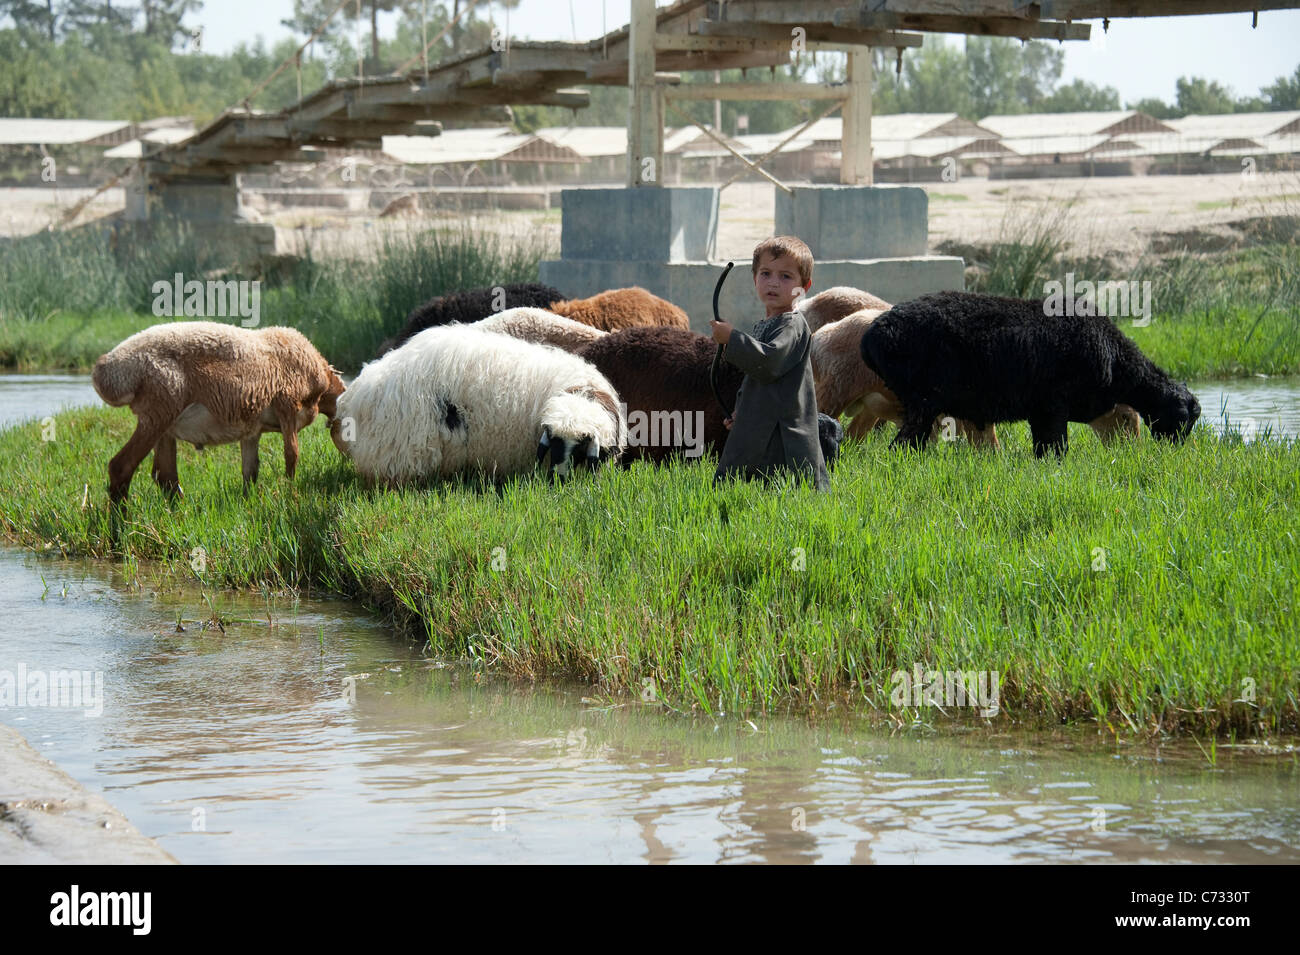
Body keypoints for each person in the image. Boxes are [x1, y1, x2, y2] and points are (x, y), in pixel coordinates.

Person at [709, 235, 829, 491]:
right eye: (765, 273)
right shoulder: (769, 324)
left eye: (786, 276)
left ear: (803, 286)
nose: (773, 282)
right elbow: (759, 381)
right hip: (766, 428)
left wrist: (732, 338)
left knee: (789, 492)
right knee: (752, 494)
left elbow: (768, 361)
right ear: (755, 279)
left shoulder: (793, 324)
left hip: (785, 437)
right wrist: (742, 413)